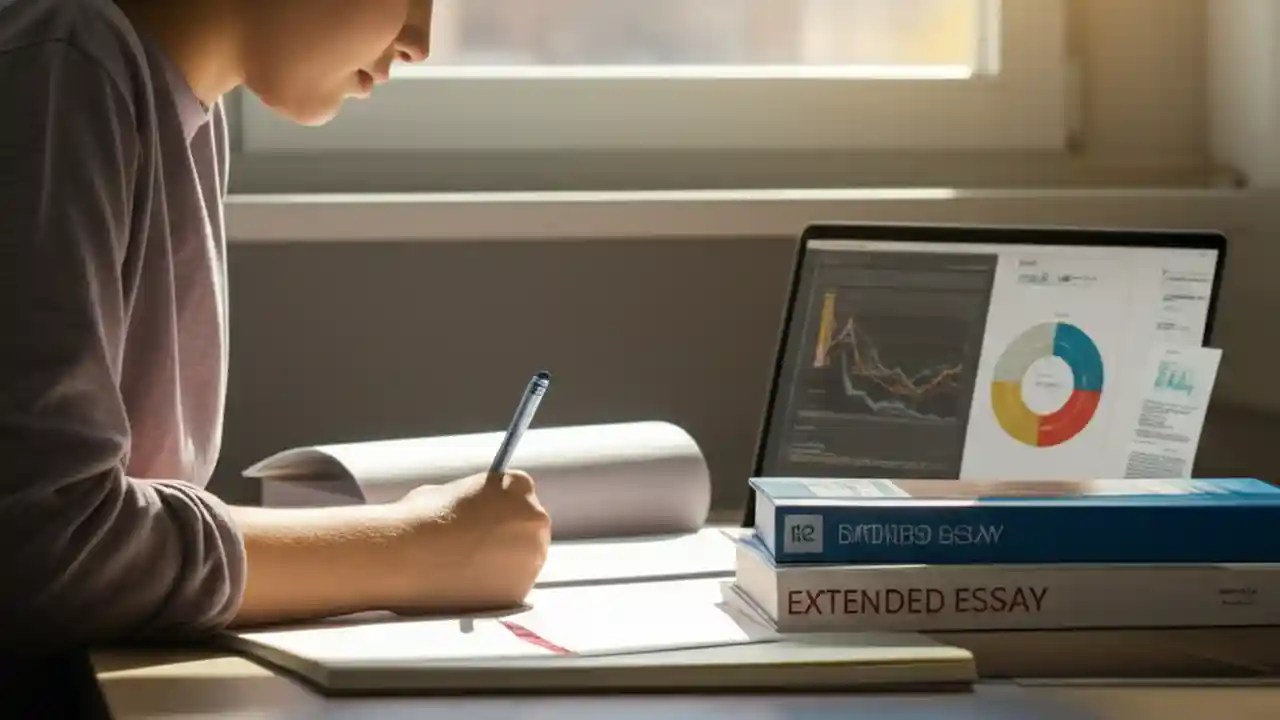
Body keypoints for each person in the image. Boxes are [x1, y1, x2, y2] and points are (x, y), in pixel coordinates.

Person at [0, 0, 551, 654]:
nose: (420, 41)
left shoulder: (177, 110)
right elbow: (51, 549)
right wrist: (412, 548)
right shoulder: (63, 67)